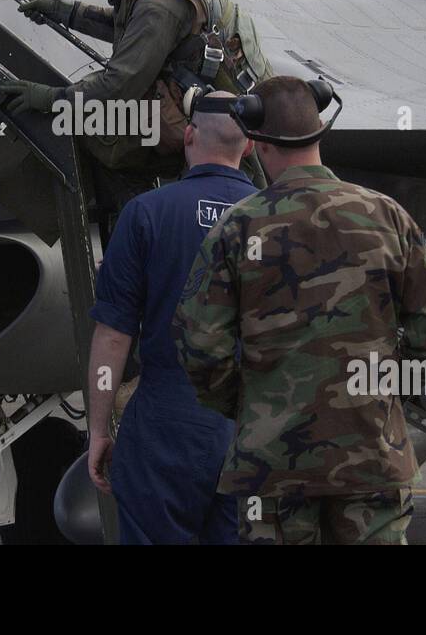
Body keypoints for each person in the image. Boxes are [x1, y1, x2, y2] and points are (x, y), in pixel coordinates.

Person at [173, 76, 426, 545]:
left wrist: (253, 406)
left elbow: (202, 347)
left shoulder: (236, 228)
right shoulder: (387, 216)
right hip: (371, 456)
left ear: (258, 142)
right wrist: (384, 394)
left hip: (272, 465)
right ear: (320, 132)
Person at [85, 92, 256, 544]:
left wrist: (99, 429)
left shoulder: (145, 214)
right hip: (253, 423)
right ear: (251, 146)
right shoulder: (279, 219)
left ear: (188, 136)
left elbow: (113, 337)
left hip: (166, 422)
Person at [0, 0, 270, 176]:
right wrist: (63, 12)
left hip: (227, 132)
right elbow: (134, 31)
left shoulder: (159, 5)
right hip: (234, 112)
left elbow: (118, 84)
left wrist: (48, 98)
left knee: (96, 130)